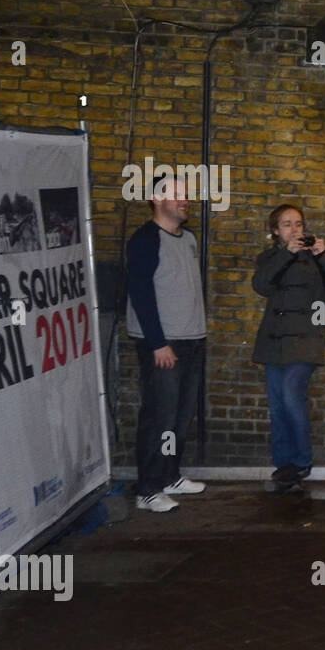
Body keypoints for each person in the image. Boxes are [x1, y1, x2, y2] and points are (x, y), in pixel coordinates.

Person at [252, 204, 325, 492]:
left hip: (306, 340)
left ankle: (301, 460)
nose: (294, 229)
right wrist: (286, 254)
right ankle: (284, 465)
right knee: (277, 404)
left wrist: (324, 257)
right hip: (274, 341)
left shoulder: (317, 259)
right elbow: (262, 285)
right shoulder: (270, 258)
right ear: (275, 231)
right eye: (286, 224)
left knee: (291, 396)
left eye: (298, 223)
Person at [126, 179, 208, 513]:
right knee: (160, 415)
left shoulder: (188, 238)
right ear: (156, 199)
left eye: (186, 194)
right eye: (177, 194)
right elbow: (141, 292)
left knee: (180, 415)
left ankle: (170, 475)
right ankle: (147, 489)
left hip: (192, 340)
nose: (185, 200)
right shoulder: (145, 239)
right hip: (163, 343)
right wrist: (158, 343)